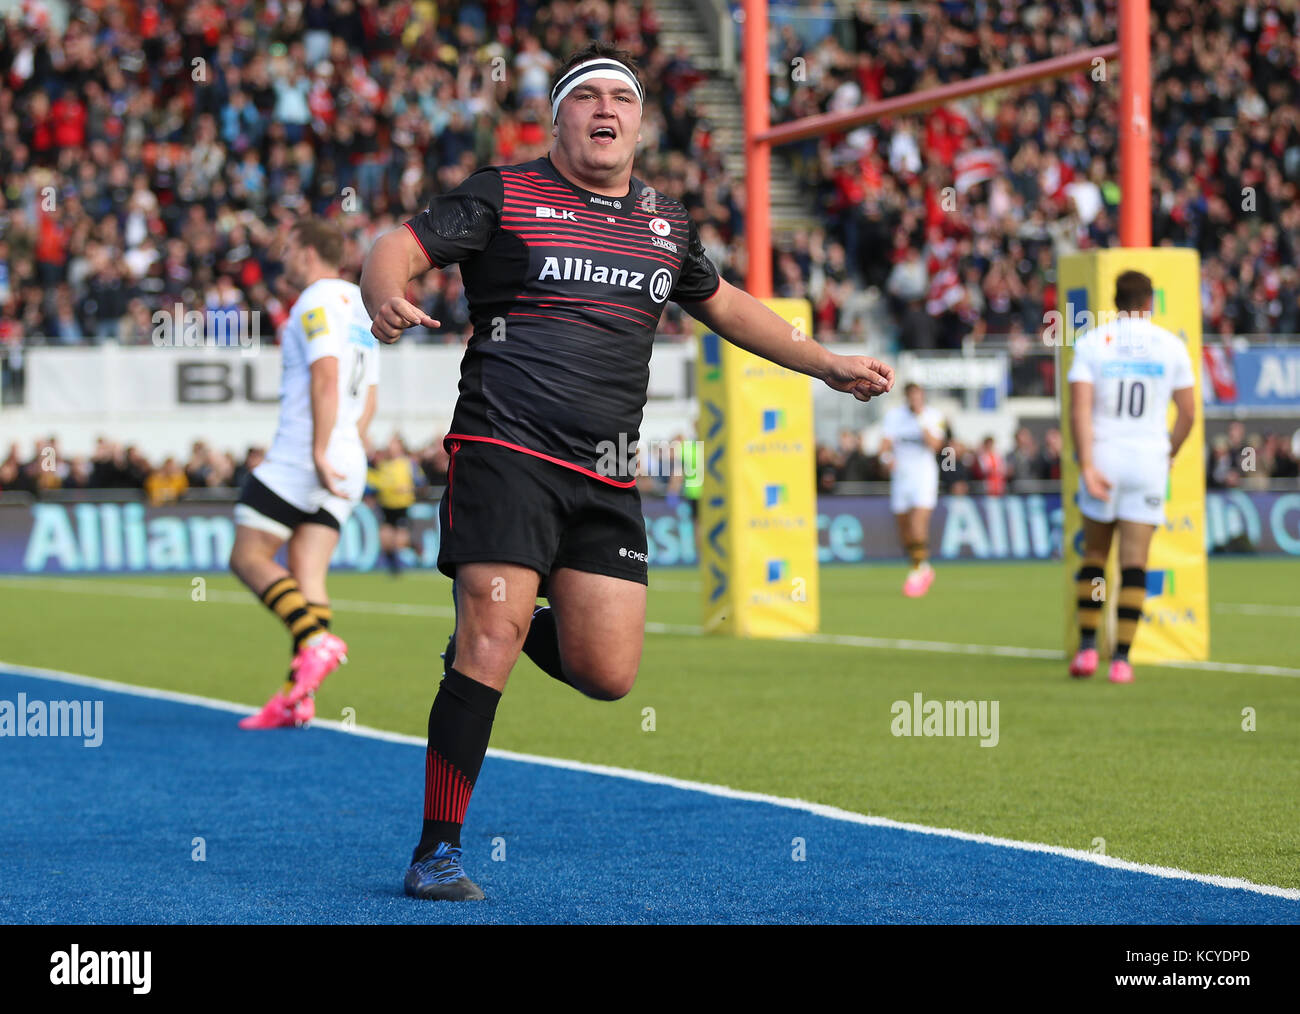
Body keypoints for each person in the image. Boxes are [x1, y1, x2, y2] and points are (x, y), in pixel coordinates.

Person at [360, 42, 894, 902]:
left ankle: (478, 635)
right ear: (560, 116)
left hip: (606, 470)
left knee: (607, 675)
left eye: (623, 99)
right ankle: (437, 852)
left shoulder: (665, 223)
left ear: (641, 124)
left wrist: (825, 363)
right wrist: (381, 290)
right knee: (492, 640)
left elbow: (726, 305)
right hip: (504, 449)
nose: (606, 111)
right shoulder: (507, 192)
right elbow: (399, 244)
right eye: (588, 98)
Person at [229, 218, 379, 728]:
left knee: (247, 556)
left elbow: (325, 375)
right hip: (349, 455)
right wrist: (344, 445)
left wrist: (318, 449)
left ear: (310, 252)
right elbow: (371, 395)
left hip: (303, 452)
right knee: (307, 572)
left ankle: (316, 640)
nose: (284, 257)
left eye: (290, 248)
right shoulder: (361, 305)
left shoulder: (314, 300)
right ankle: (299, 697)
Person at [1067, 270, 1196, 684]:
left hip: (1104, 456)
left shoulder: (1092, 344)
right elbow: (1189, 412)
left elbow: (1080, 410)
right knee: (1135, 563)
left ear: (1116, 300)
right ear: (1150, 301)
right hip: (1148, 461)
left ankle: (1088, 649)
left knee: (1095, 557)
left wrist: (1087, 464)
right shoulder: (1171, 345)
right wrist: (1168, 453)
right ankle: (1122, 658)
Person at [878, 382, 944, 596]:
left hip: (924, 477)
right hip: (901, 478)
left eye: (918, 395)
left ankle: (916, 573)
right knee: (905, 531)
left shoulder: (933, 416)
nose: (915, 399)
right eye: (911, 396)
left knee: (918, 522)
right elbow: (884, 446)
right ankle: (923, 567)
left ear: (922, 396)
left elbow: (935, 445)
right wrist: (886, 459)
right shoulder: (894, 416)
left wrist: (920, 419)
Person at [367, 434, 420, 575]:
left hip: (402, 505)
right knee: (385, 539)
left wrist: (409, 488)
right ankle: (393, 564)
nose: (390, 448)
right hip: (386, 506)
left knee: (399, 539)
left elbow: (421, 483)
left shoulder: (409, 463)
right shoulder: (382, 464)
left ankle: (412, 548)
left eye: (393, 444)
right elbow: (375, 480)